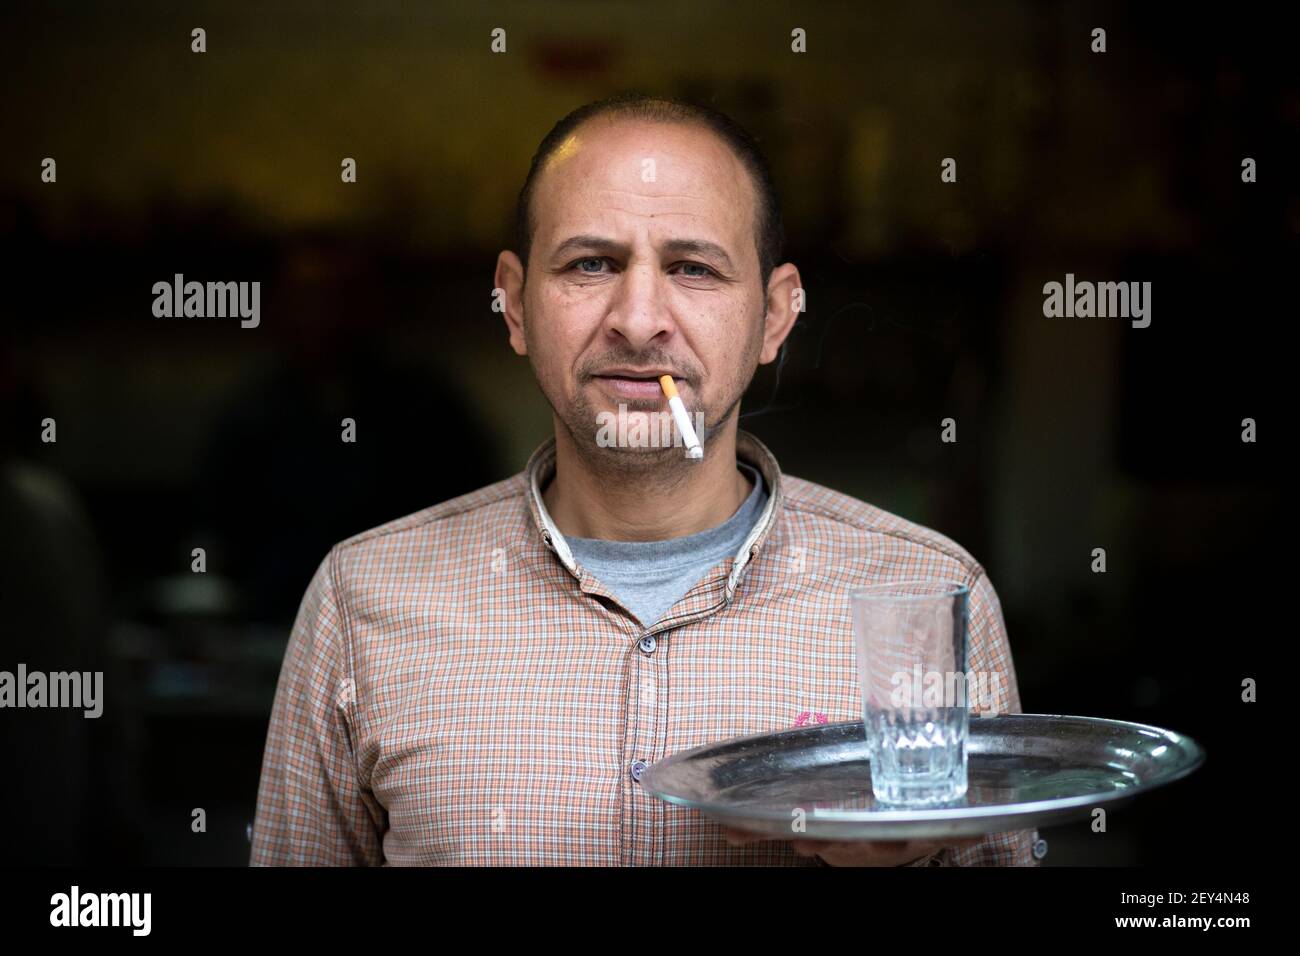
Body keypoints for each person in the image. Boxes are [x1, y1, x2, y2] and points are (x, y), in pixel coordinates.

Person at [251, 94, 1041, 866]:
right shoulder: (361, 596)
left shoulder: (929, 592)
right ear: (515, 303)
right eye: (591, 264)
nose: (637, 319)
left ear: (774, 316)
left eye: (693, 268)